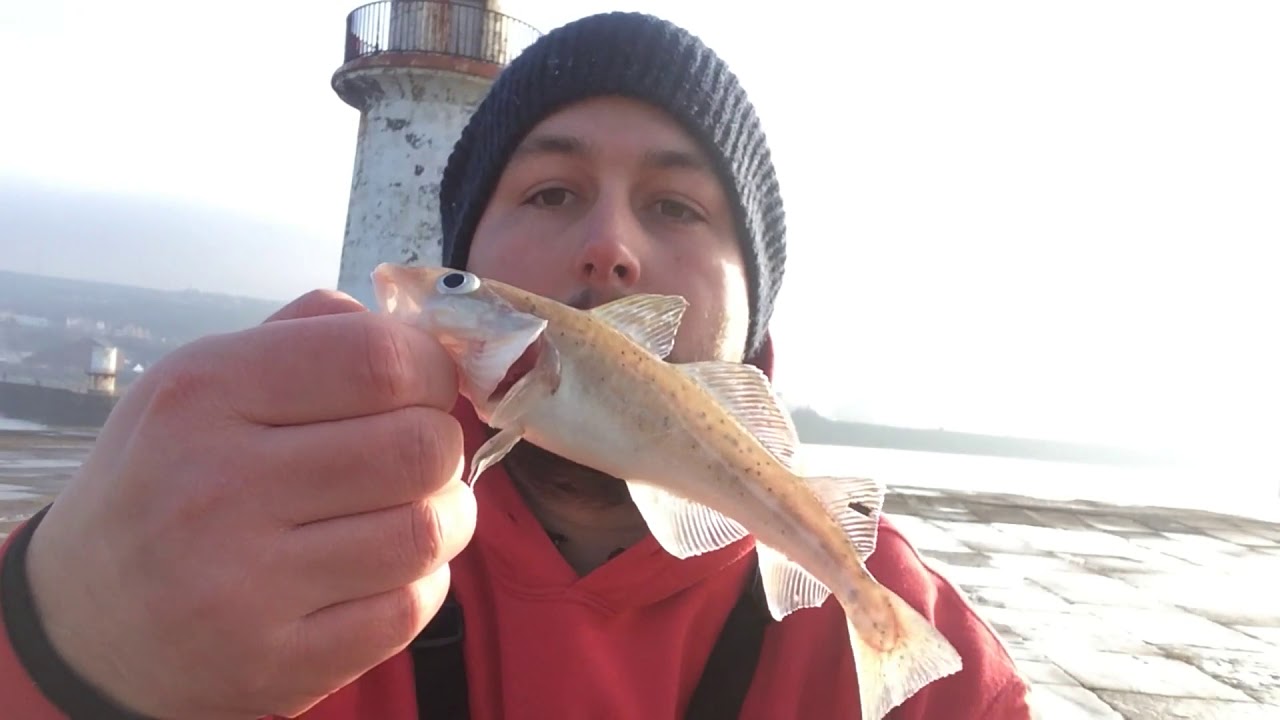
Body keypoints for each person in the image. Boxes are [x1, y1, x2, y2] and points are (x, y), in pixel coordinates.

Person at [0, 11, 1033, 720]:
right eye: (549, 193)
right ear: (470, 249)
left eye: (676, 205)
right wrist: (68, 638)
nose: (610, 247)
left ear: (755, 307)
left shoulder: (945, 675)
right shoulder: (250, 554)